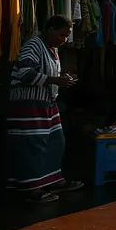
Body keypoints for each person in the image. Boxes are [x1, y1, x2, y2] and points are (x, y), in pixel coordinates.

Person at [7, 15, 84, 203]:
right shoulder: (33, 45)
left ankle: (53, 180)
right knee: (32, 145)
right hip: (29, 105)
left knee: (55, 142)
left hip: (48, 104)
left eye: (67, 36)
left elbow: (46, 73)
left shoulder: (52, 49)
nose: (64, 40)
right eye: (61, 35)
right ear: (50, 29)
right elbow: (24, 73)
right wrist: (56, 80)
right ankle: (32, 189)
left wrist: (62, 78)